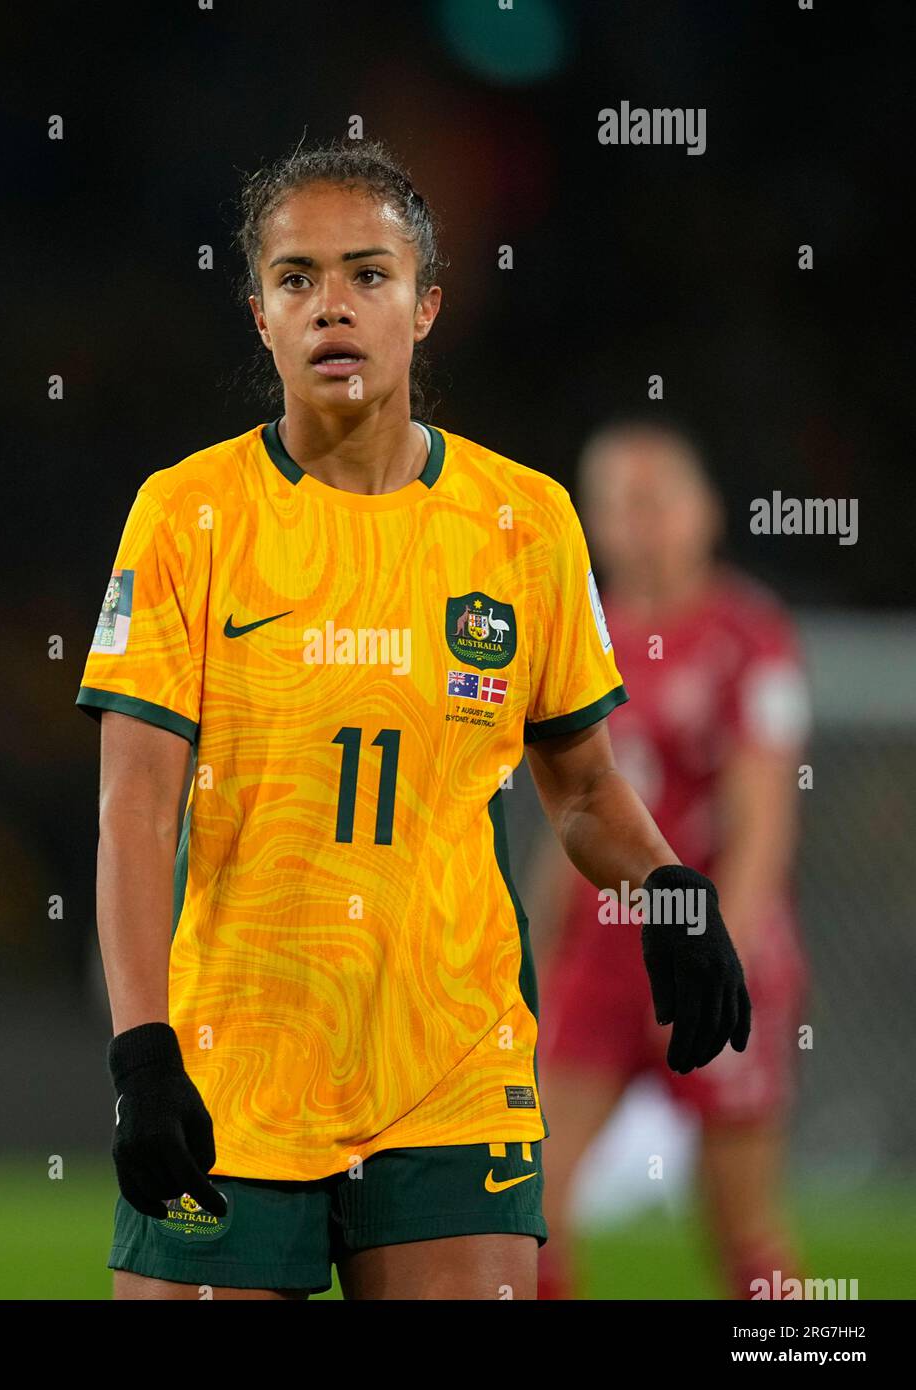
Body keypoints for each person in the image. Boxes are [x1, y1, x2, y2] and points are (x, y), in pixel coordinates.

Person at [75, 140, 749, 1301]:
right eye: (294, 279)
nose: (329, 305)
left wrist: (669, 885)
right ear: (259, 315)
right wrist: (143, 1051)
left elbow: (581, 788)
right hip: (237, 1064)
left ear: (425, 305)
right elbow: (135, 806)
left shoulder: (523, 522)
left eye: (365, 274)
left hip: (451, 1067)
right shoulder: (184, 517)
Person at [527, 420, 811, 1301]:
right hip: (602, 959)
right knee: (524, 1214)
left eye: (654, 499)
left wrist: (714, 948)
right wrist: (534, 955)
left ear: (705, 512)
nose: (636, 521)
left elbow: (762, 828)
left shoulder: (751, 640)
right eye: (615, 502)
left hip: (718, 950)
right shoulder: (577, 631)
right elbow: (565, 814)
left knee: (741, 1233)